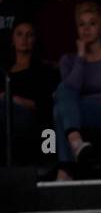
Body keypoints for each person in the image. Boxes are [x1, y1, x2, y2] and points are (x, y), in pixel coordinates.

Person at [51, 1, 101, 175]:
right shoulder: (68, 60)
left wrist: (75, 103)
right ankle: (76, 143)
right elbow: (72, 88)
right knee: (60, 105)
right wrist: (81, 57)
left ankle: (65, 170)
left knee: (61, 106)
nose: (86, 29)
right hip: (78, 118)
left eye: (92, 23)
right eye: (81, 24)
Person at [3, 19, 59, 151]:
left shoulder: (43, 70)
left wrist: (16, 101)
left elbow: (46, 106)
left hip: (30, 119)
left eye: (29, 35)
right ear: (12, 39)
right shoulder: (4, 71)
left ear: (35, 40)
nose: (24, 39)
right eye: (20, 34)